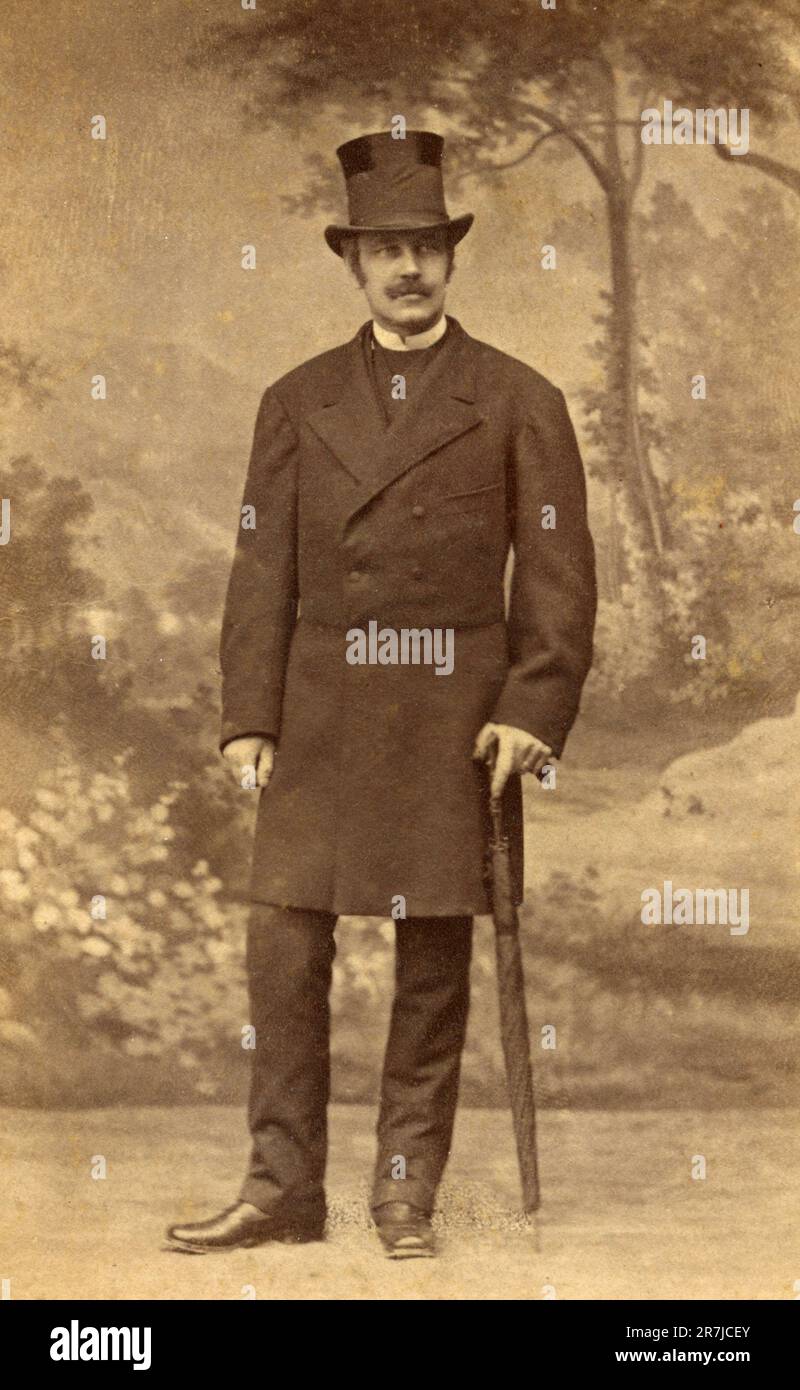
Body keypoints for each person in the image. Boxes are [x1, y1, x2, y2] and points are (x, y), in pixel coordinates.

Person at [165, 129, 597, 1259]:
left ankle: (403, 1188)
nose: (406, 269)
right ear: (350, 263)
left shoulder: (517, 398)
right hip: (317, 706)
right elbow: (260, 567)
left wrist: (529, 708)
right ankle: (281, 1186)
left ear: (449, 257)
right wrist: (248, 716)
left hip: (455, 712)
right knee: (284, 948)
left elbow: (556, 579)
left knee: (430, 958)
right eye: (383, 250)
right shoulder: (295, 400)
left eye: (424, 247)